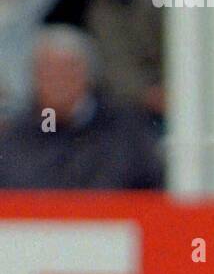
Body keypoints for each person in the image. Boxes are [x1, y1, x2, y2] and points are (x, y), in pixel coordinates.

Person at [0, 26, 162, 189]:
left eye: (67, 69)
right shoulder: (14, 138)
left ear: (88, 74)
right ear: (33, 78)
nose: (57, 81)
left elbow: (149, 190)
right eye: (47, 70)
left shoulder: (125, 131)